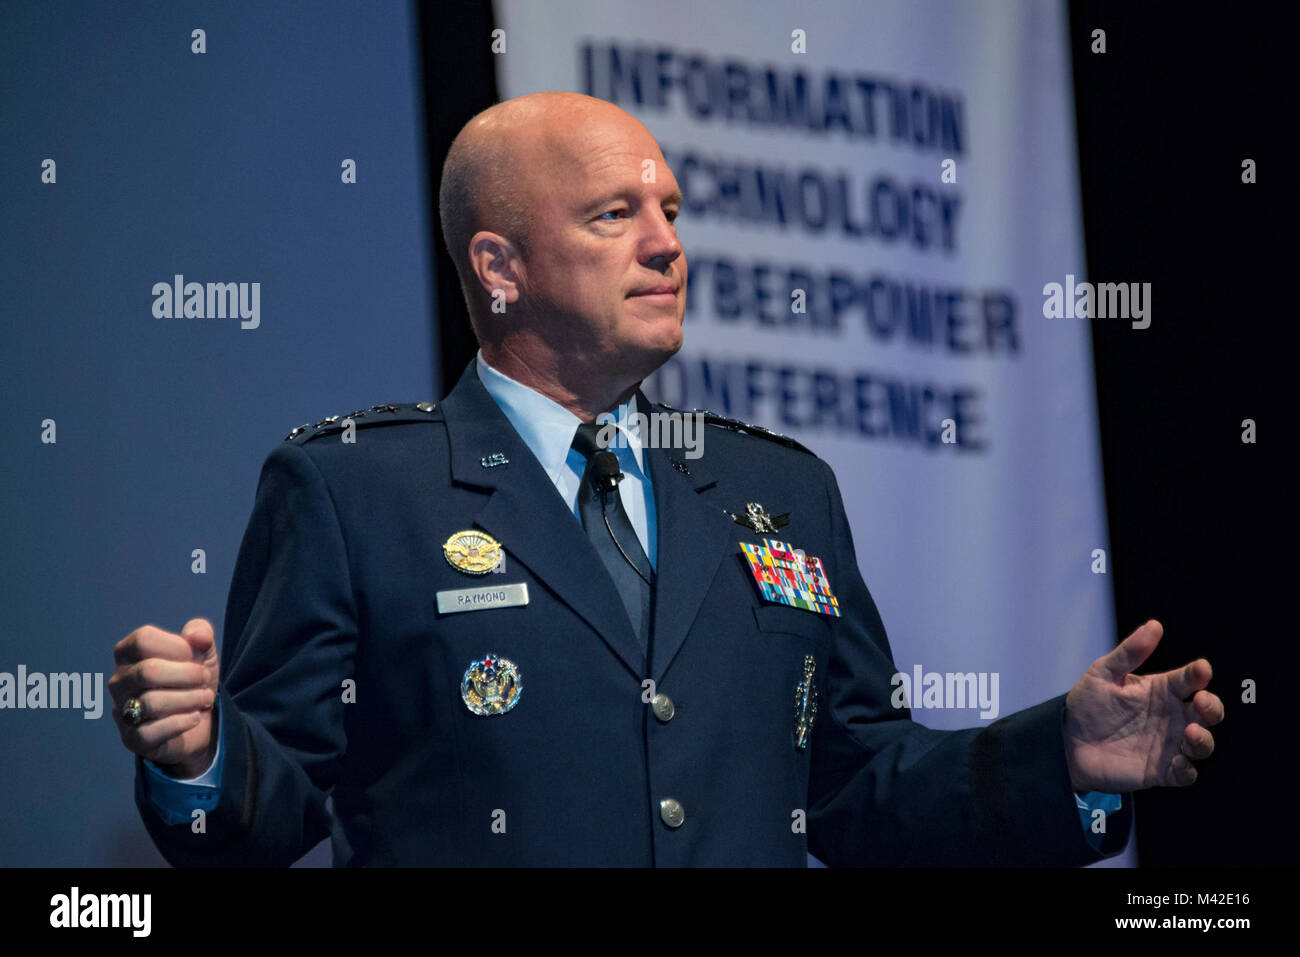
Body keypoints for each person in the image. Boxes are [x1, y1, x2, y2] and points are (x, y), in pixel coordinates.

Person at [109, 92, 1223, 866]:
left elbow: (857, 790)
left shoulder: (778, 490)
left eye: (671, 213)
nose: (666, 245)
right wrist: (204, 756)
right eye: (614, 216)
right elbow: (275, 807)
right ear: (500, 269)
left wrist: (1058, 759)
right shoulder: (354, 492)